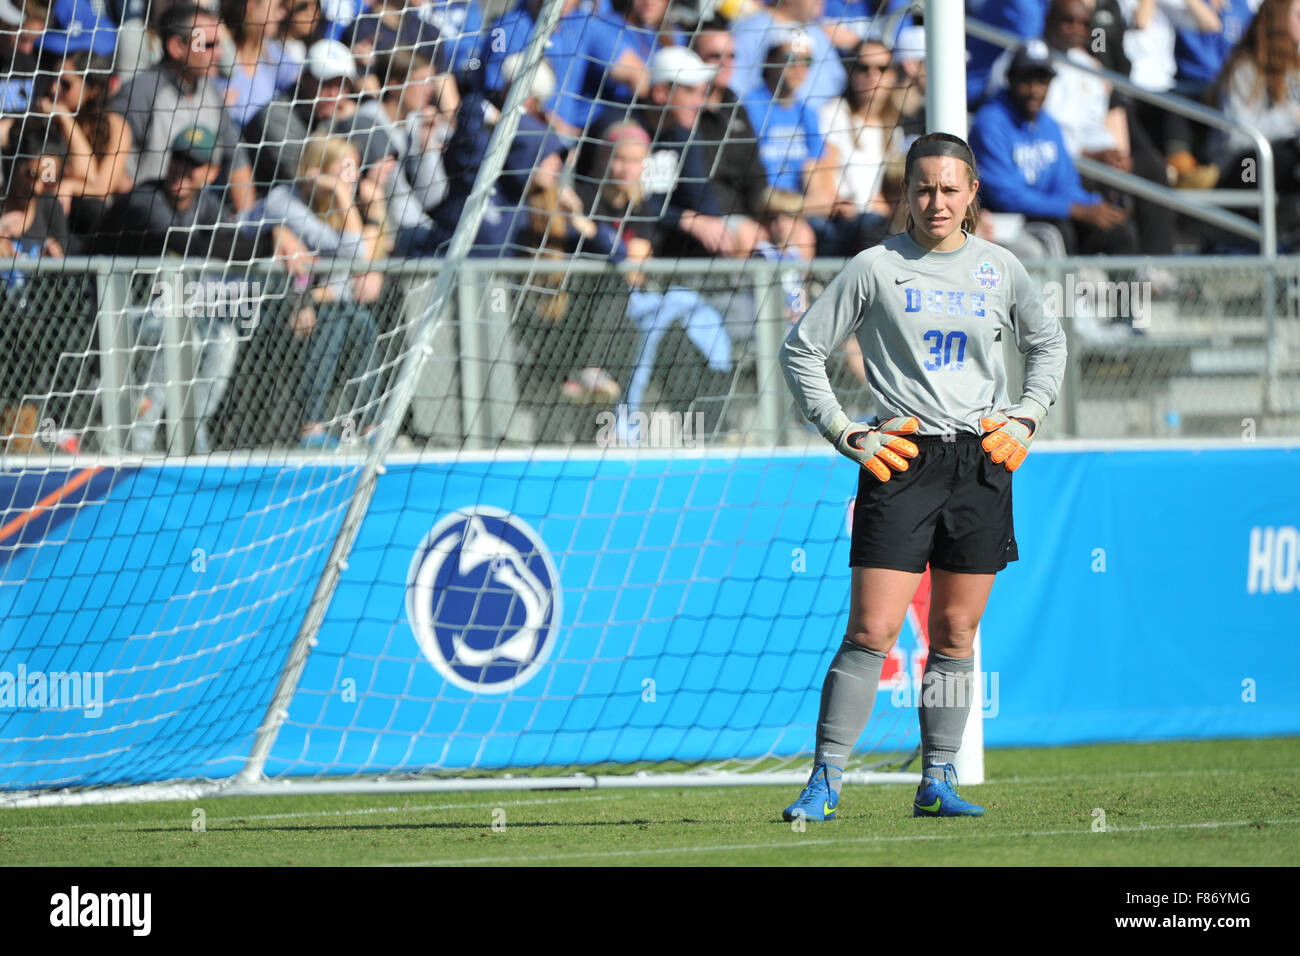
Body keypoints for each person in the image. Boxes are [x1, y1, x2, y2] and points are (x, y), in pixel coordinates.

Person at [777, 130, 1066, 821]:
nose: (937, 201)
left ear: (972, 195)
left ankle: (937, 779)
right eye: (924, 188)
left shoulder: (1001, 268)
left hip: (982, 461)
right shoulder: (874, 267)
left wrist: (1026, 416)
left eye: (950, 188)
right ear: (906, 194)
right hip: (900, 458)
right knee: (872, 631)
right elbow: (801, 349)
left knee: (957, 637)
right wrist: (846, 429)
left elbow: (1048, 344)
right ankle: (826, 780)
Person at [969, 42, 1136, 256]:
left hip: (1049, 213)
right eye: (1026, 80)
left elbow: (1066, 184)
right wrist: (1073, 209)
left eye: (1042, 81)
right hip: (1004, 220)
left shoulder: (1048, 124)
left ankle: (1124, 289)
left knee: (1121, 231)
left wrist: (1100, 206)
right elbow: (1006, 196)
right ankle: (1064, 290)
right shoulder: (990, 123)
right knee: (1058, 232)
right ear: (1010, 78)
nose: (1034, 90)